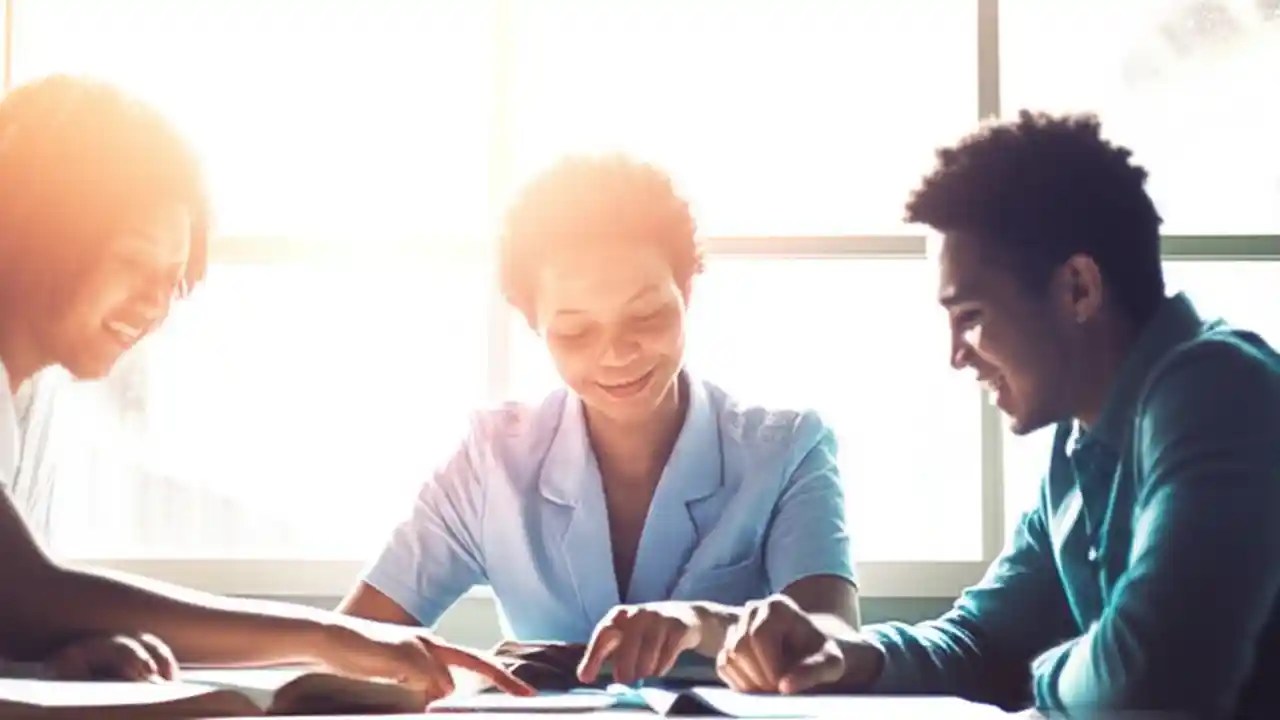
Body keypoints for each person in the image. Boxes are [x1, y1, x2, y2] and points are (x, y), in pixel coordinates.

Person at [713, 111, 1280, 718]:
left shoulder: (1219, 389)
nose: (957, 356)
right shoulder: (1077, 447)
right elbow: (983, 640)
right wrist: (851, 653)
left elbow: (1147, 680)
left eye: (972, 317)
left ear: (1078, 289)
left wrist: (1048, 666)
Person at [0, 74, 532, 700]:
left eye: (172, 280)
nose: (153, 304)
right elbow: (24, 591)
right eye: (130, 261)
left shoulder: (32, 400)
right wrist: (333, 637)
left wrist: (52, 650)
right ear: (41, 229)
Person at [341, 155, 860, 685]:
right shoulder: (490, 460)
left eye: (646, 316)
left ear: (687, 293)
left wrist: (706, 625)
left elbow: (835, 646)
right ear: (534, 325)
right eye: (575, 333)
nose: (617, 354)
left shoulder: (789, 450)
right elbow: (348, 645)